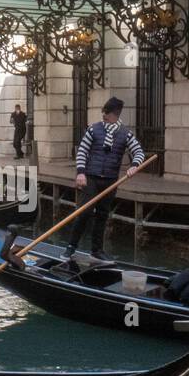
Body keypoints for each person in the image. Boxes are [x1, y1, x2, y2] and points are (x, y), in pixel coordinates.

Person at [63, 97, 146, 261]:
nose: (104, 115)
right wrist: (80, 172)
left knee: (102, 215)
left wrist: (134, 165)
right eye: (104, 112)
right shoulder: (93, 129)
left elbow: (139, 152)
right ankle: (71, 247)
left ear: (115, 114)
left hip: (110, 181)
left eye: (107, 113)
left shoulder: (126, 134)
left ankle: (96, 250)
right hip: (91, 178)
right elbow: (82, 151)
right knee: (84, 213)